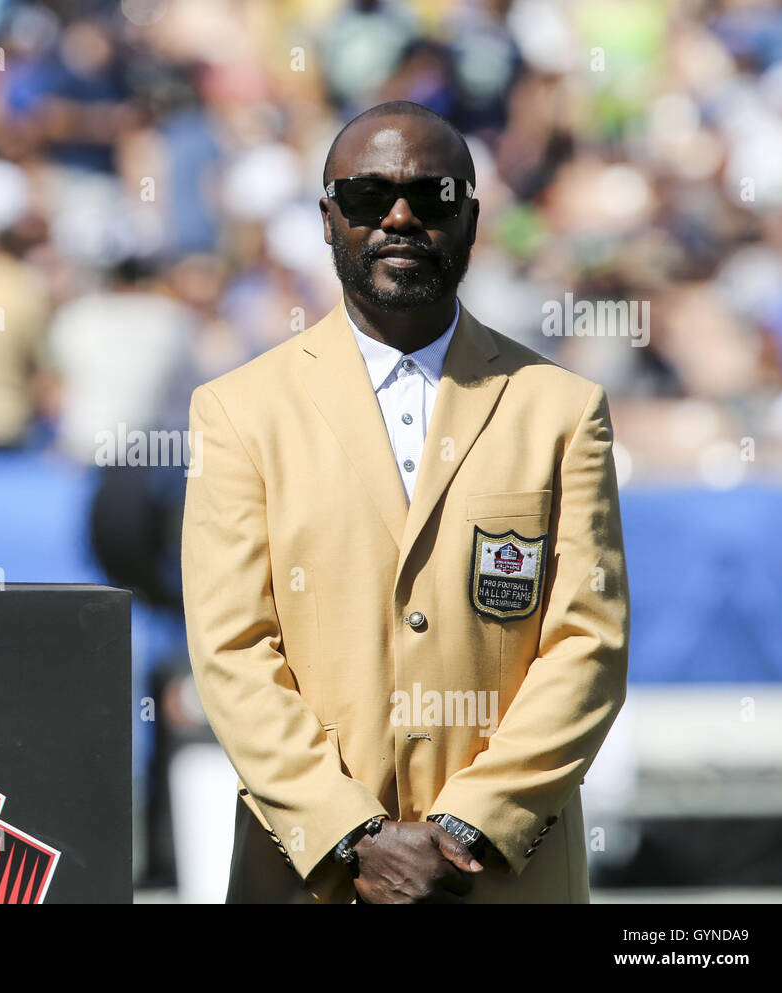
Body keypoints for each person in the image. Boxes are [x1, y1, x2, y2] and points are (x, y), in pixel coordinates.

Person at [180, 102, 629, 904]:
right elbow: (233, 650)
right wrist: (352, 834)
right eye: (366, 197)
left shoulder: (560, 409)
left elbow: (587, 648)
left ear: (471, 218)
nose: (398, 217)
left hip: (498, 879)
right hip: (311, 878)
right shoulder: (239, 410)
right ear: (327, 219)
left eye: (431, 197)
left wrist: (467, 828)